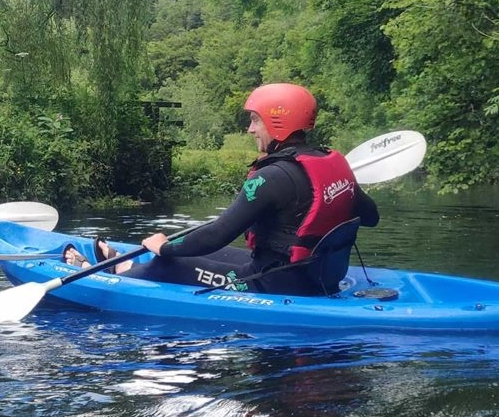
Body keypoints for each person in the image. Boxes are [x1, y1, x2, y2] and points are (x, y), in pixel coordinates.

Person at [130, 83, 379, 294]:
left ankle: (114, 273)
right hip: (318, 277)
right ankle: (122, 268)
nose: (250, 129)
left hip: (276, 284)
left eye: (255, 120)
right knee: (222, 254)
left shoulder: (271, 177)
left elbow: (216, 234)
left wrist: (164, 246)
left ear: (277, 121)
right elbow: (371, 217)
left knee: (166, 264)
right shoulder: (331, 166)